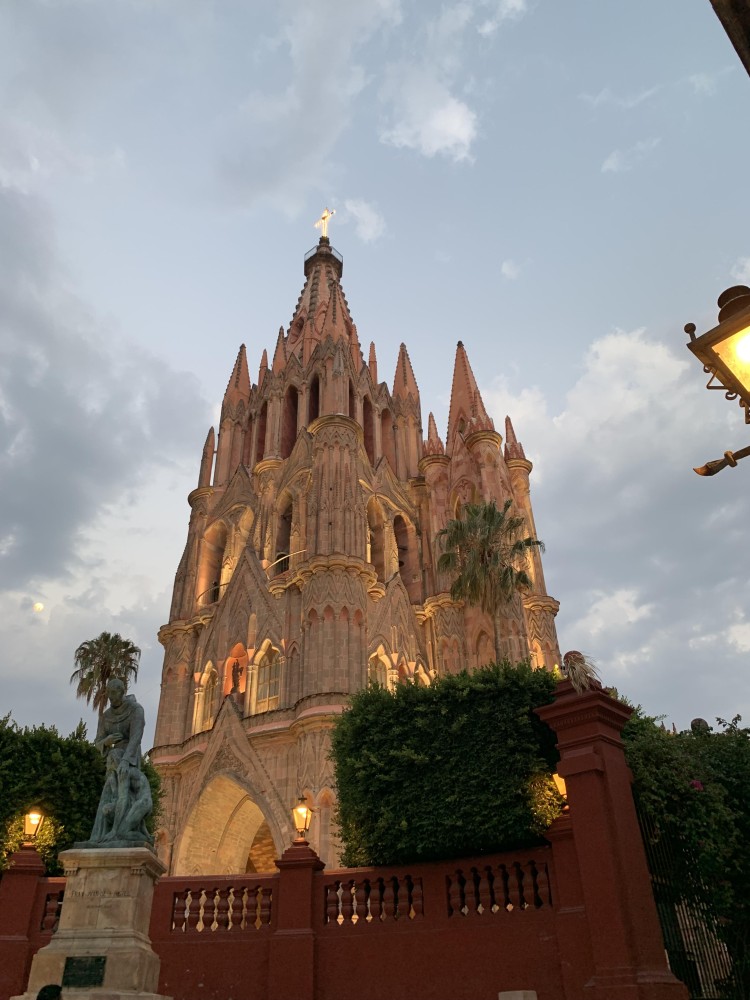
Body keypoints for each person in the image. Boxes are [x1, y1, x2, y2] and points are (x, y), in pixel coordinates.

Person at [86, 678, 153, 847]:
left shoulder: (136, 710)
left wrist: (124, 761)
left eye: (114, 693)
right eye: (108, 694)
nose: (111, 697)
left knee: (123, 793)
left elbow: (136, 737)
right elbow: (98, 742)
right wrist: (107, 741)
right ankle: (100, 835)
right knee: (109, 794)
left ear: (122, 692)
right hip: (114, 758)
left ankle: (119, 832)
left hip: (129, 758)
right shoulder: (106, 716)